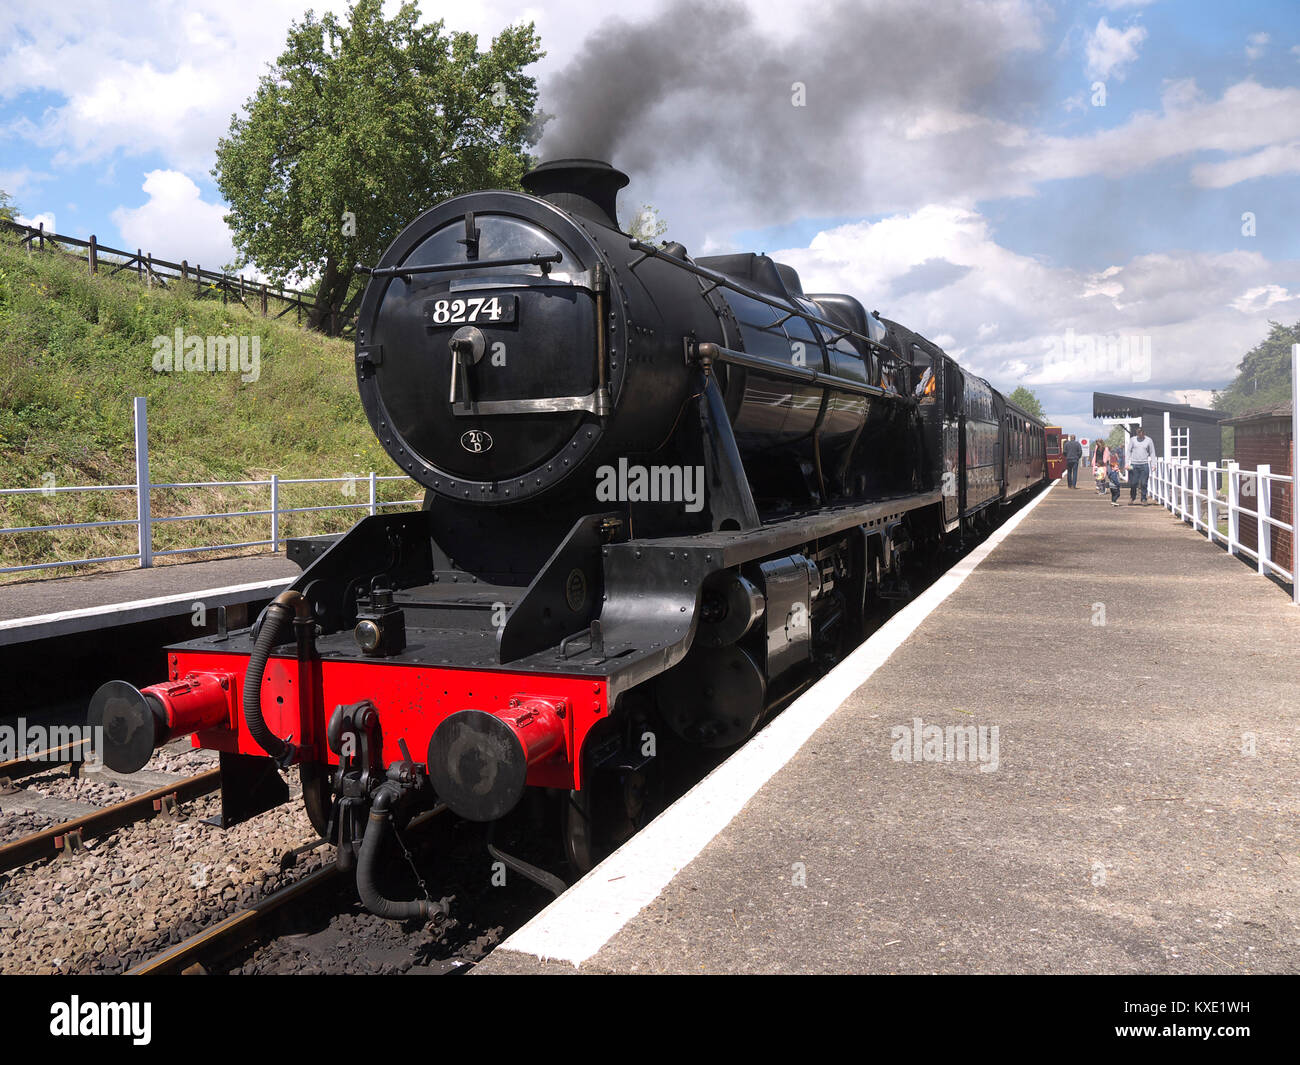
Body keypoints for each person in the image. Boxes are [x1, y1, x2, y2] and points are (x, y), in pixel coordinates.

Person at [1126, 425, 1156, 505]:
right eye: (1138, 434)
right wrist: (1126, 463)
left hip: (1144, 464)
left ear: (1143, 433)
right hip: (1134, 464)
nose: (1139, 436)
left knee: (1143, 483)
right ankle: (1132, 497)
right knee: (1133, 483)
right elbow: (1128, 451)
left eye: (1141, 434)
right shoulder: (1133, 440)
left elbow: (1152, 452)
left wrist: (1153, 464)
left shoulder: (1149, 440)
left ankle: (1143, 499)